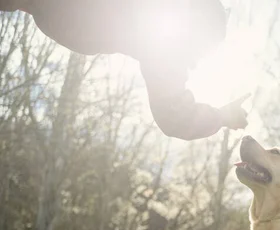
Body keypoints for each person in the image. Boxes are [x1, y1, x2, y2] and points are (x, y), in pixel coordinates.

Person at [0, 0, 248, 140]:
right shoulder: (167, 44)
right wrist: (223, 116)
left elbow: (176, 116)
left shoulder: (165, 41)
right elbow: (176, 117)